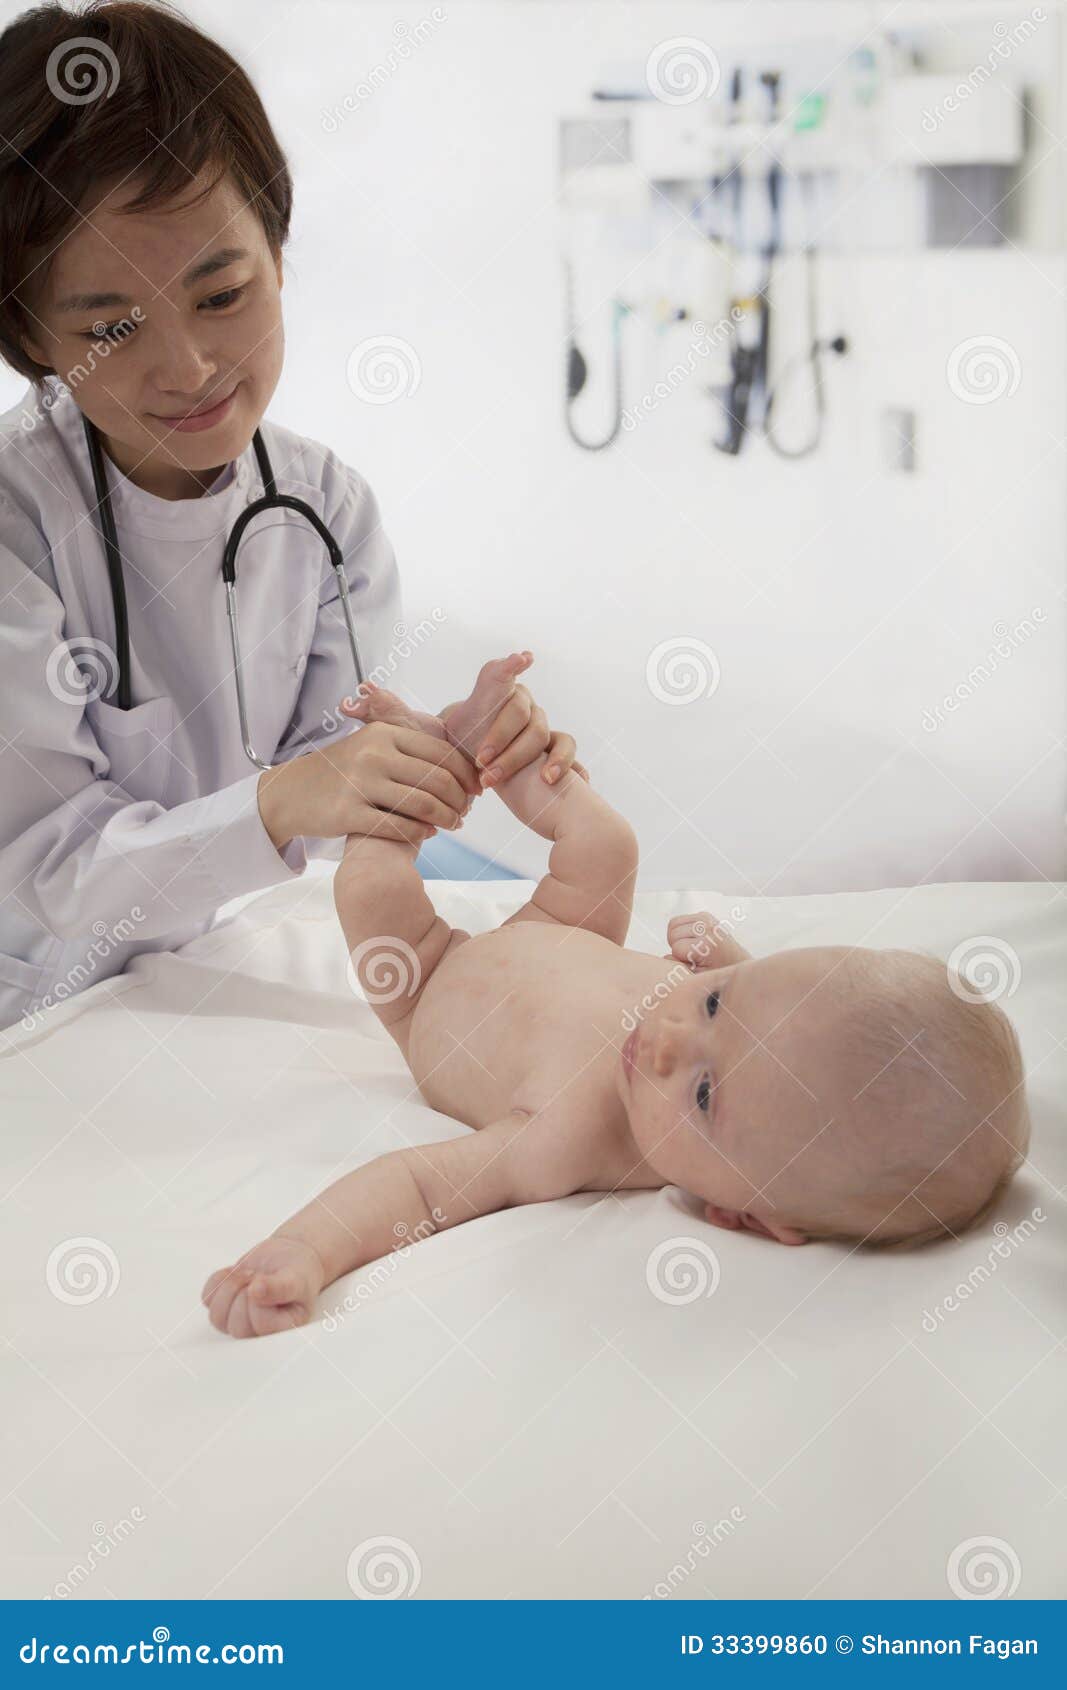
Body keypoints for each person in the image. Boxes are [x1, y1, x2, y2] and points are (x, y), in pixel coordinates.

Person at [0, 1, 584, 1031]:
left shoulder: (323, 510)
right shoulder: (17, 525)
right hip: (30, 1010)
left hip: (192, 973)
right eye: (113, 327)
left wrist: (434, 754)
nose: (187, 368)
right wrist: (281, 801)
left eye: (221, 294)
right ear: (32, 333)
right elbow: (49, 867)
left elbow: (326, 765)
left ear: (276, 254)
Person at [202, 653, 1031, 1338]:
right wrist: (724, 961)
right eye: (717, 1004)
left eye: (703, 1095)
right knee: (607, 844)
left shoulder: (563, 1142)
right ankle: (488, 749)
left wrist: (305, 1250)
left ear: (742, 1213)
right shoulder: (752, 1039)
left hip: (427, 983)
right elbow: (768, 1017)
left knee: (370, 894)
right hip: (572, 929)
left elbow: (415, 1188)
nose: (668, 1037)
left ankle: (402, 778)